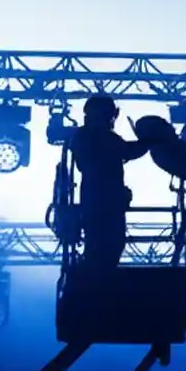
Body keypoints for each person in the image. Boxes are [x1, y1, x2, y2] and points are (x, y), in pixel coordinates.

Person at [69, 95, 148, 268]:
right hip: (106, 201)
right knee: (110, 244)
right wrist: (150, 141)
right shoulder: (101, 137)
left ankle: (94, 273)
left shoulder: (82, 136)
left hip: (93, 199)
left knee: (98, 244)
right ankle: (98, 275)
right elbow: (128, 151)